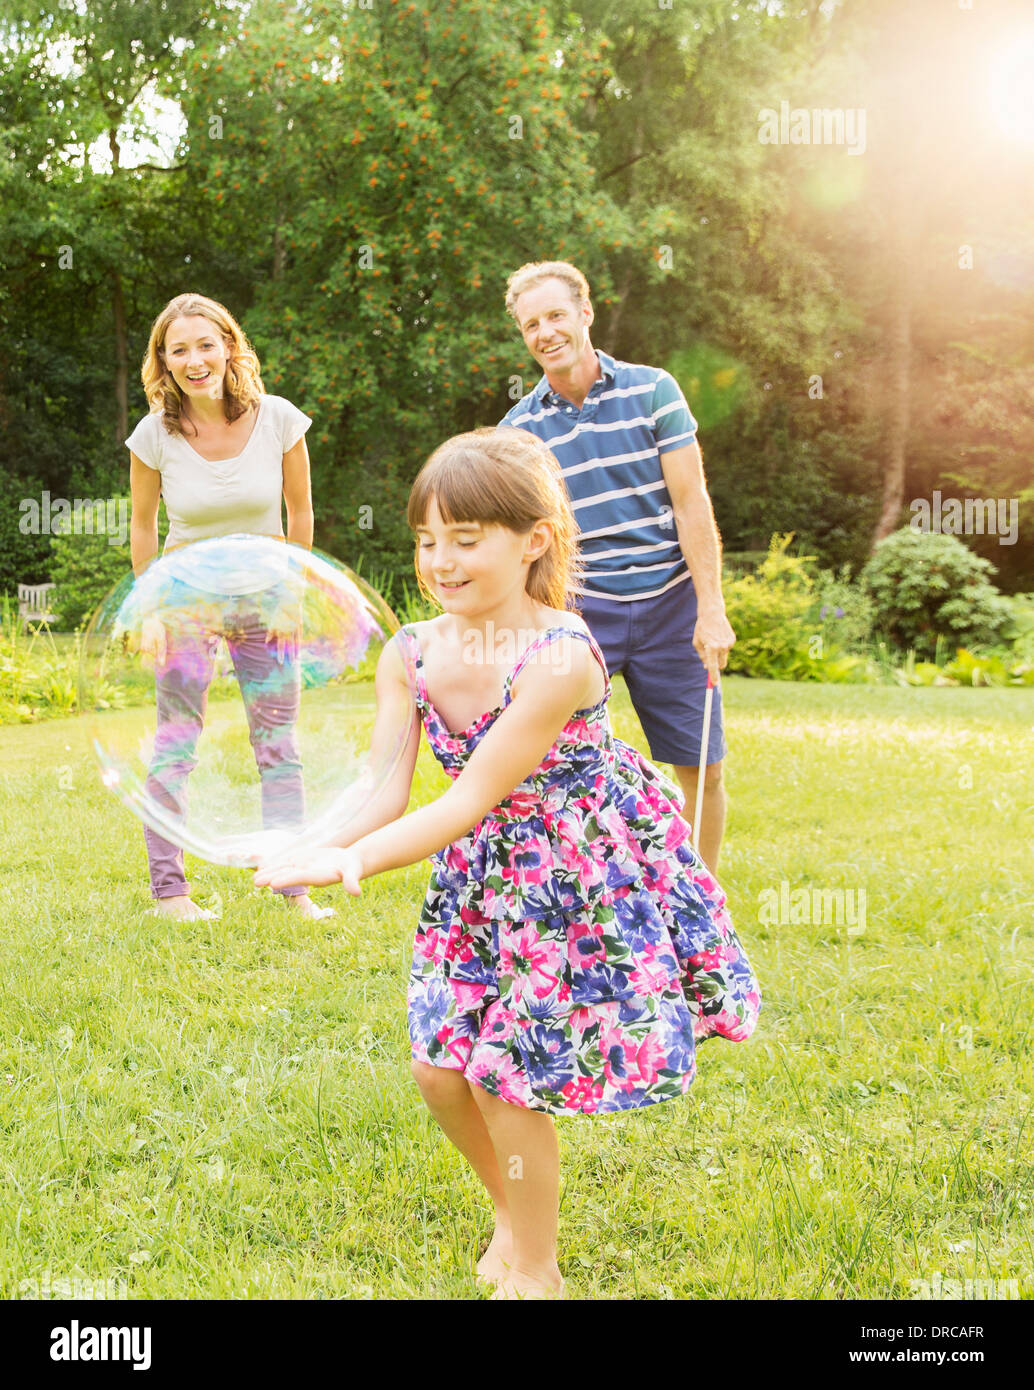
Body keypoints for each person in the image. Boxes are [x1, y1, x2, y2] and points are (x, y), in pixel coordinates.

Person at [254, 427, 761, 1299]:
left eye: (465, 538)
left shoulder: (558, 656)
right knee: (439, 1071)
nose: (439, 561)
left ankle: (537, 1267)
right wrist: (325, 842)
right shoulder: (408, 651)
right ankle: (516, 1212)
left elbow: (466, 800)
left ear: (533, 540)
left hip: (575, 883)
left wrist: (352, 866)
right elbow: (385, 788)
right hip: (479, 887)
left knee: (507, 1078)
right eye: (425, 539)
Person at [499, 260, 736, 874]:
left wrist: (711, 609)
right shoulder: (518, 431)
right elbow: (523, 539)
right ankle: (571, 887)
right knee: (548, 762)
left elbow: (691, 503)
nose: (545, 331)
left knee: (701, 765)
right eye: (531, 324)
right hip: (581, 613)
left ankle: (701, 898)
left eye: (555, 315)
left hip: (671, 603)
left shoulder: (652, 389)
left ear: (585, 313)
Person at [127, 292, 329, 922]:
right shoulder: (154, 435)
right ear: (163, 361)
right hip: (187, 601)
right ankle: (171, 894)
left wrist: (293, 594)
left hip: (267, 599)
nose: (195, 359)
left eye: (205, 344)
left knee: (277, 745)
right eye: (178, 349)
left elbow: (300, 514)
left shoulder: (278, 420)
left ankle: (293, 890)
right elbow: (141, 526)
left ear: (230, 347)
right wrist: (150, 609)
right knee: (176, 743)